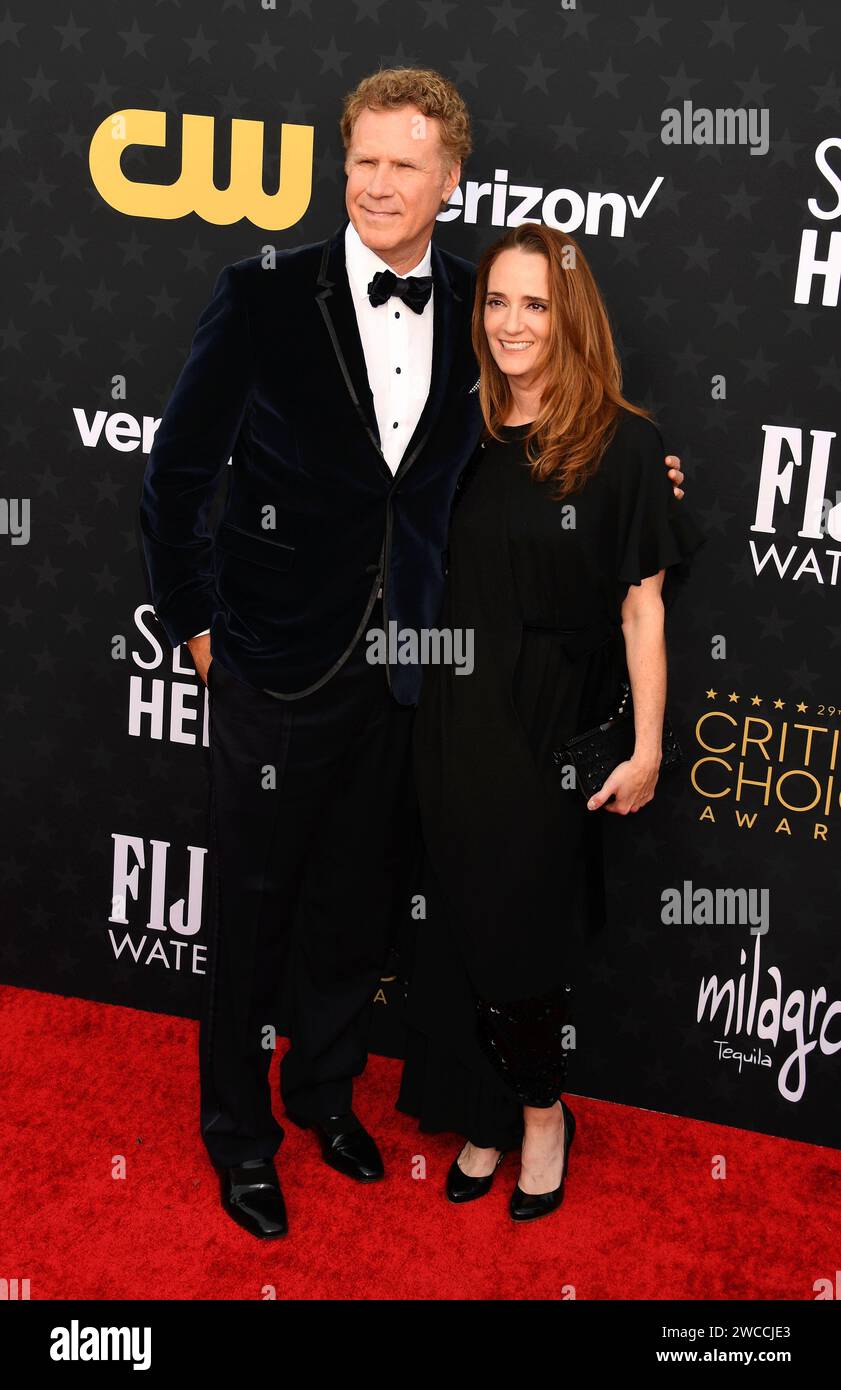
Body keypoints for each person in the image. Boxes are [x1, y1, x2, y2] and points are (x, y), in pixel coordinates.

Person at [139, 67, 686, 1240]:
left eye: (405, 164)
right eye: (363, 162)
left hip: (412, 679)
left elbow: (543, 444)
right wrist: (197, 626)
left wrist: (645, 473)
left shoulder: (478, 305)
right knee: (250, 915)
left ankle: (325, 1096)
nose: (380, 184)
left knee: (353, 909)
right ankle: (239, 1135)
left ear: (450, 179)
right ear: (344, 169)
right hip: (271, 668)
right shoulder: (260, 293)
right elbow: (173, 477)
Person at [397, 223, 706, 1221]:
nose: (512, 322)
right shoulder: (460, 429)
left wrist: (650, 746)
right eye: (496, 302)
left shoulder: (625, 444)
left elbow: (641, 607)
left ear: (570, 315)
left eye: (535, 303)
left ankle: (540, 1114)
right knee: (452, 925)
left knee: (520, 934)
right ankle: (481, 1111)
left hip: (542, 729)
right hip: (447, 711)